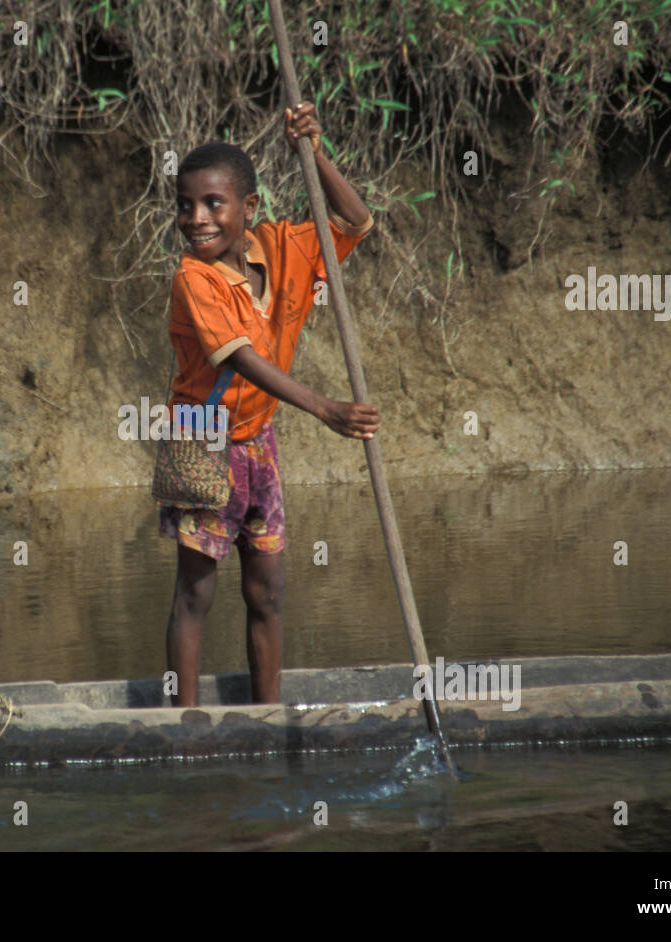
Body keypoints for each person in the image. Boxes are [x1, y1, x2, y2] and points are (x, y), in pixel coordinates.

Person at [161, 101, 379, 706]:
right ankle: (183, 725)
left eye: (213, 204)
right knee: (195, 592)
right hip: (201, 436)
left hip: (258, 439)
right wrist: (325, 408)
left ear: (249, 209)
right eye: (186, 205)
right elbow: (238, 358)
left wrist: (313, 149)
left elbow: (357, 222)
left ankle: (268, 714)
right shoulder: (193, 278)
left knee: (268, 590)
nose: (196, 219)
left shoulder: (283, 248)